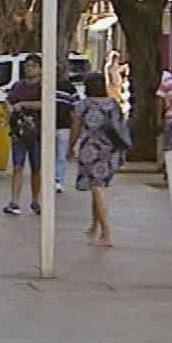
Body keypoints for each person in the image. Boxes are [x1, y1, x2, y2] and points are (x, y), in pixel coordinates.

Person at [71, 71, 125, 246]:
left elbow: (76, 128)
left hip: (90, 150)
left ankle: (106, 233)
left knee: (97, 187)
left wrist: (71, 147)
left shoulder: (82, 106)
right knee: (98, 187)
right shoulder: (113, 104)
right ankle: (95, 226)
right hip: (111, 149)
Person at [4, 55, 47, 215]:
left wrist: (23, 105)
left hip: (38, 133)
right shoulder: (18, 86)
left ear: (41, 69)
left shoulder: (44, 86)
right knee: (17, 166)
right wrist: (10, 109)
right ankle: (14, 201)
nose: (30, 69)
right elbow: (8, 100)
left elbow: (46, 104)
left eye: (34, 66)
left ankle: (35, 200)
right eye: (28, 66)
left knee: (36, 168)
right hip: (19, 132)